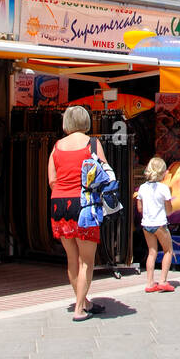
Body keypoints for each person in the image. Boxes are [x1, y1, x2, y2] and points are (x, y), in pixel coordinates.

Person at [48, 105, 107, 321]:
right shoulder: (92, 144)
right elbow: (105, 172)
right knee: (87, 261)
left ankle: (84, 301)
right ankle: (79, 309)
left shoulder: (57, 146)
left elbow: (52, 179)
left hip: (60, 203)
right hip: (84, 203)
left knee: (72, 258)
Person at [136, 157, 175, 293]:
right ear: (163, 172)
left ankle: (150, 283)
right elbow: (169, 210)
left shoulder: (142, 188)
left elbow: (139, 208)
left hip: (147, 224)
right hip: (160, 224)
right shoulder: (164, 188)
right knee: (168, 251)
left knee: (151, 252)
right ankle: (163, 281)